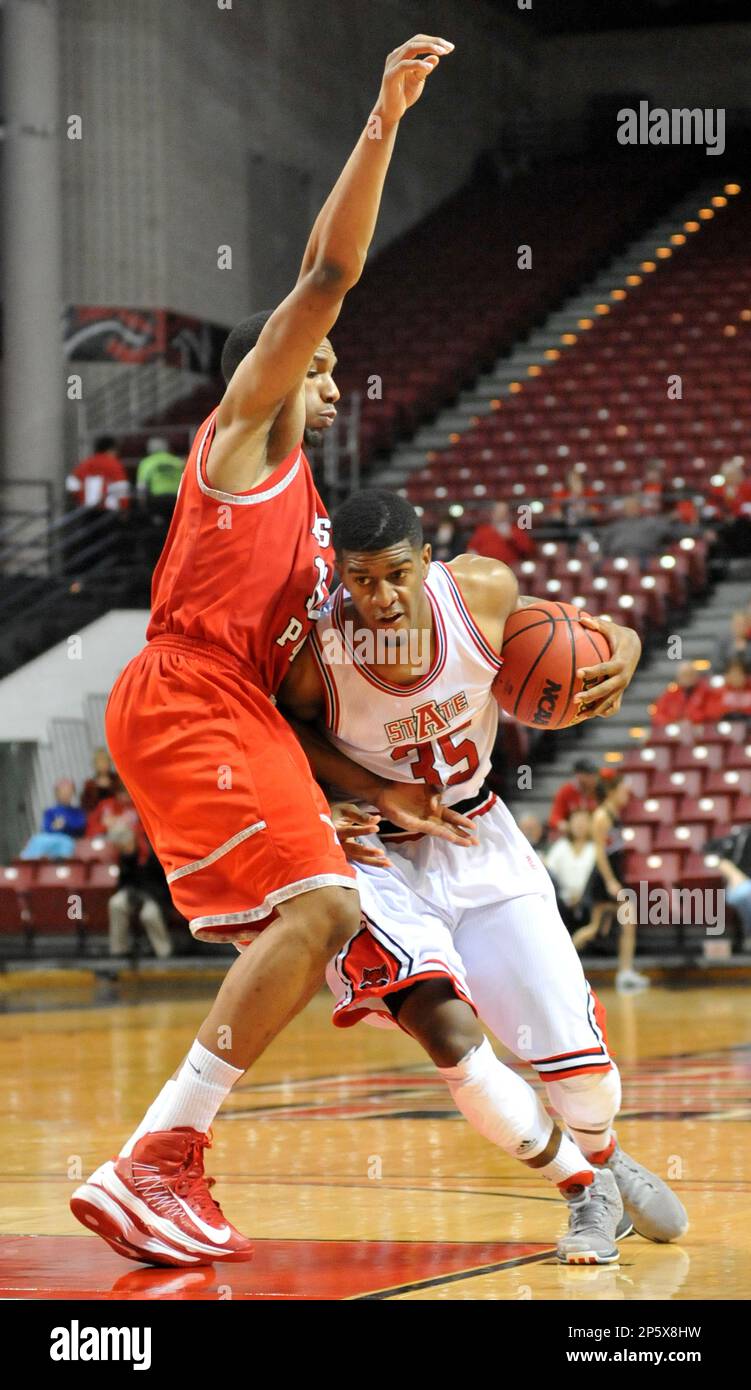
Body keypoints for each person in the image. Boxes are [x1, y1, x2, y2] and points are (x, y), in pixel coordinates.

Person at [70, 34, 472, 1269]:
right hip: (188, 691)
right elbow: (330, 269)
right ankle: (155, 1160)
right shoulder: (243, 438)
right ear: (278, 363)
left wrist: (377, 790)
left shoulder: (308, 526)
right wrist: (384, 118)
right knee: (324, 909)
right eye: (326, 365)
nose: (338, 384)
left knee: (319, 919)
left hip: (233, 711)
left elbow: (301, 710)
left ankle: (167, 1162)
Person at [278, 489, 686, 1262]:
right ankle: (583, 1192)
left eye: (395, 575)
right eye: (360, 580)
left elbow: (594, 632)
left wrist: (625, 646)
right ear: (341, 577)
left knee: (584, 1074)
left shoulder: (483, 592)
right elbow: (281, 730)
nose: (379, 597)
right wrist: (363, 792)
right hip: (378, 861)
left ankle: (601, 1151)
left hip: (479, 835)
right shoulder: (319, 654)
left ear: (427, 563)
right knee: (452, 1037)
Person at [574, 772, 649, 993]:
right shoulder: (601, 816)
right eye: (623, 790)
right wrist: (609, 881)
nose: (627, 794)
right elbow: (599, 852)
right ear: (611, 791)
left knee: (600, 928)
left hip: (612, 877)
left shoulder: (613, 813)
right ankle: (624, 972)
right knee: (601, 927)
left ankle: (625, 972)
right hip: (604, 879)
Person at [108, 835, 174, 960]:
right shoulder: (125, 858)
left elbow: (163, 883)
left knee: (149, 915)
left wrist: (147, 896)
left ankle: (164, 951)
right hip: (132, 893)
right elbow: (122, 883)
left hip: (155, 896)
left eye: (127, 844)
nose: (125, 848)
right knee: (115, 903)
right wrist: (130, 892)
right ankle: (119, 950)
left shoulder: (153, 855)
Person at [543, 809, 597, 939]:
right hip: (562, 900)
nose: (580, 825)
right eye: (576, 821)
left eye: (584, 821)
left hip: (589, 900)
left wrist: (583, 896)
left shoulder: (595, 848)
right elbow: (549, 870)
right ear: (570, 824)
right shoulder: (561, 846)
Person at [20, 778, 87, 860]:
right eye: (62, 792)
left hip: (68, 839)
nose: (65, 795)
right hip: (51, 838)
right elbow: (46, 828)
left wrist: (65, 825)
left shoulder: (78, 812)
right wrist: (54, 827)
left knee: (65, 844)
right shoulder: (50, 811)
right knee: (37, 840)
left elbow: (80, 826)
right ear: (57, 794)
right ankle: (27, 865)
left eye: (68, 792)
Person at [66, 435, 130, 513]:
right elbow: (120, 487)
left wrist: (80, 497)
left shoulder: (86, 463)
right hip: (108, 510)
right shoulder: (114, 464)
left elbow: (72, 483)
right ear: (110, 449)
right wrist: (124, 508)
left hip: (87, 509)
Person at [466, 500, 536, 568]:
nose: (501, 515)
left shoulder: (516, 531)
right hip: (486, 570)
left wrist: (511, 539)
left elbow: (528, 550)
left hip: (510, 569)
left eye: (504, 512)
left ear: (508, 514)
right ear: (493, 513)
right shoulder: (482, 531)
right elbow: (471, 551)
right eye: (499, 512)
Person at [599, 495, 673, 559]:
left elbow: (668, 532)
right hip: (619, 556)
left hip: (646, 556)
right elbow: (604, 544)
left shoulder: (651, 523)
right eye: (629, 507)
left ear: (639, 508)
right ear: (624, 509)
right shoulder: (615, 526)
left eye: (634, 506)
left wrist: (669, 519)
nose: (631, 509)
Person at [651, 662, 711, 727]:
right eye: (684, 675)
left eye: (690, 674)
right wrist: (672, 722)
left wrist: (692, 718)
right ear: (678, 677)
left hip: (702, 729)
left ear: (696, 675)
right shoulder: (670, 695)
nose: (687, 678)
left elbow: (713, 711)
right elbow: (658, 715)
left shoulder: (706, 692)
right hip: (676, 731)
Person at [548, 758, 599, 835]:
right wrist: (567, 826)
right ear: (578, 775)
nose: (593, 778)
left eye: (594, 775)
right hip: (571, 834)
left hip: (594, 832)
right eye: (588, 775)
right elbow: (554, 818)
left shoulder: (599, 790)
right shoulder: (566, 791)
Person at [80, 747, 119, 814]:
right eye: (99, 761)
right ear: (95, 764)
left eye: (105, 760)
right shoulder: (90, 784)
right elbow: (87, 807)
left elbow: (124, 798)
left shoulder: (117, 779)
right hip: (99, 817)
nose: (103, 764)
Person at [714, 609, 751, 675]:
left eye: (743, 625)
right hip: (727, 676)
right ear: (732, 625)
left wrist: (742, 651)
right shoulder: (723, 641)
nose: (740, 627)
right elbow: (718, 663)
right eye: (737, 624)